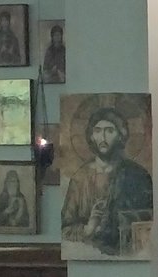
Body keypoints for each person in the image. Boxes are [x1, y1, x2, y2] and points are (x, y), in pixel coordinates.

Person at [59, 103, 152, 257]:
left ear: (121, 135)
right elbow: (65, 228)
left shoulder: (138, 176)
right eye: (97, 131)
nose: (103, 138)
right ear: (91, 136)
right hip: (90, 253)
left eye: (109, 131)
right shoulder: (80, 178)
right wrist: (89, 228)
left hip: (129, 255)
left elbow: (148, 222)